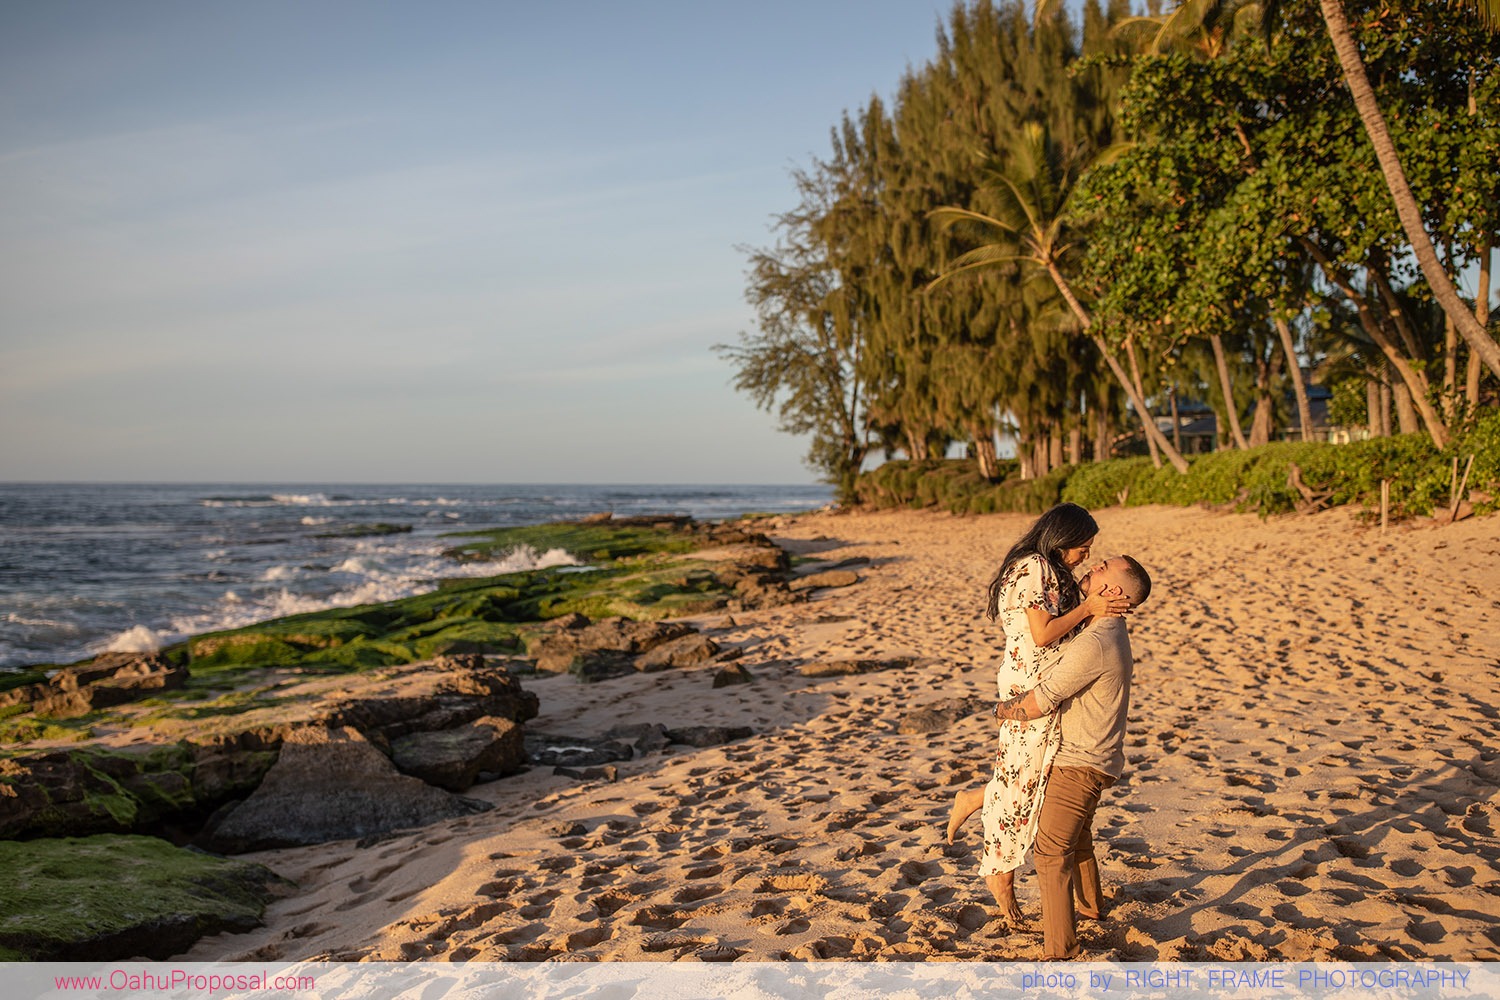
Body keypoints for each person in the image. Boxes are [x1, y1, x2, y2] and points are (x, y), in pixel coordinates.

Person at [946, 502, 1130, 923]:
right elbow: (1043, 634)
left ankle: (976, 799)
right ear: (1061, 540)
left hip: (1041, 685)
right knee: (1020, 790)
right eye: (1083, 546)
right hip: (1030, 689)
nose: (1086, 554)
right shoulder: (1035, 567)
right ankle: (999, 879)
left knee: (1029, 782)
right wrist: (1089, 610)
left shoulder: (1045, 568)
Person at [992, 554, 1152, 960]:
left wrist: (1001, 710)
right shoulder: (1105, 631)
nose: (1092, 565)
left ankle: (1060, 948)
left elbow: (1040, 702)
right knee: (1077, 839)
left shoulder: (1097, 642)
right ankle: (1091, 907)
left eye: (1102, 567)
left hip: (1079, 762)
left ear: (1112, 591)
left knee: (1050, 852)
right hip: (1097, 757)